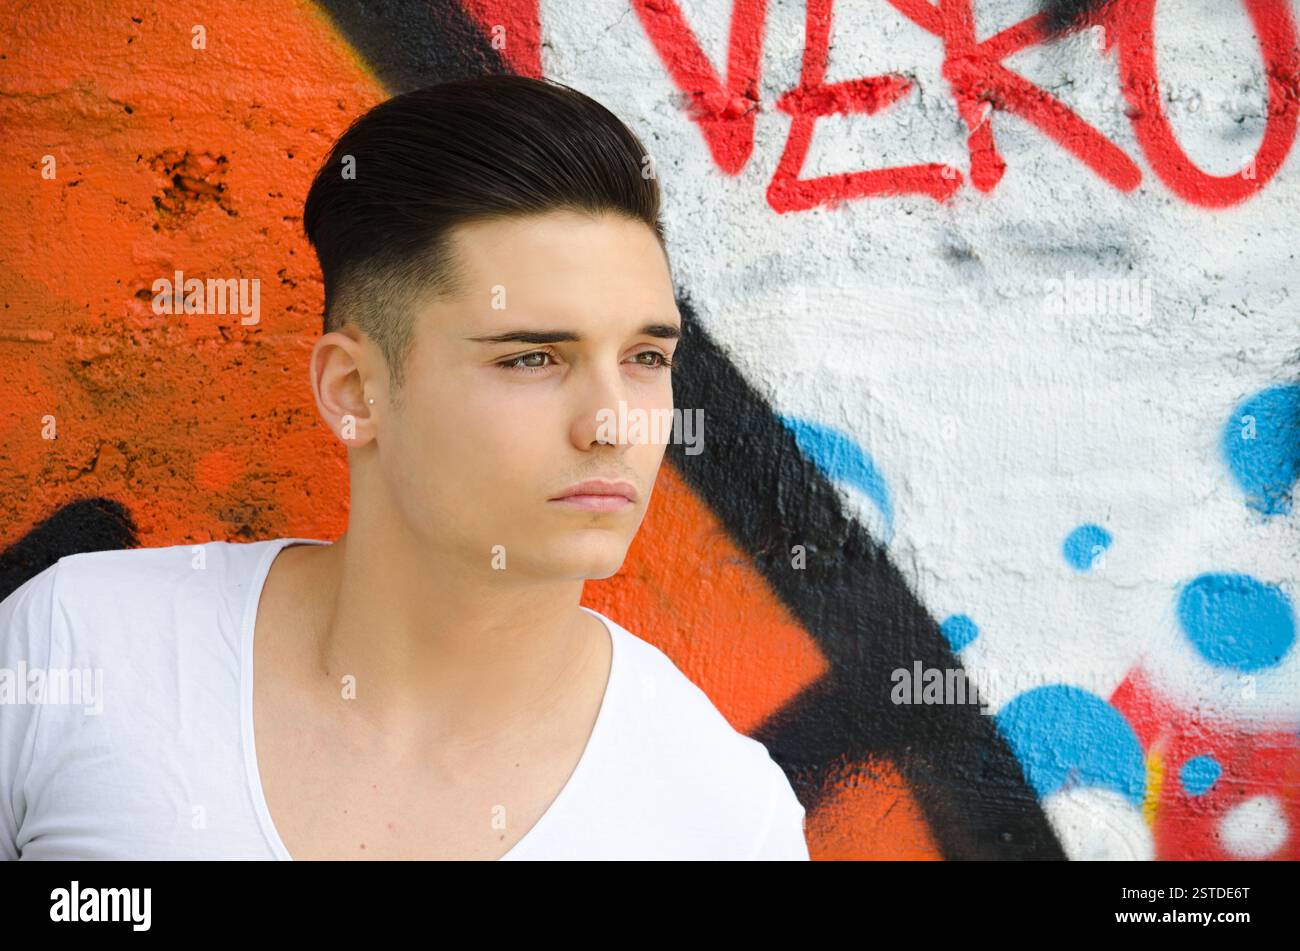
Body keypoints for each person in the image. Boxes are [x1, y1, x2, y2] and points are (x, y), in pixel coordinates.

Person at [0, 74, 809, 860]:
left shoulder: (723, 818)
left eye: (644, 356)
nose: (612, 423)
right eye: (531, 358)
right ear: (354, 389)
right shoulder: (73, 655)